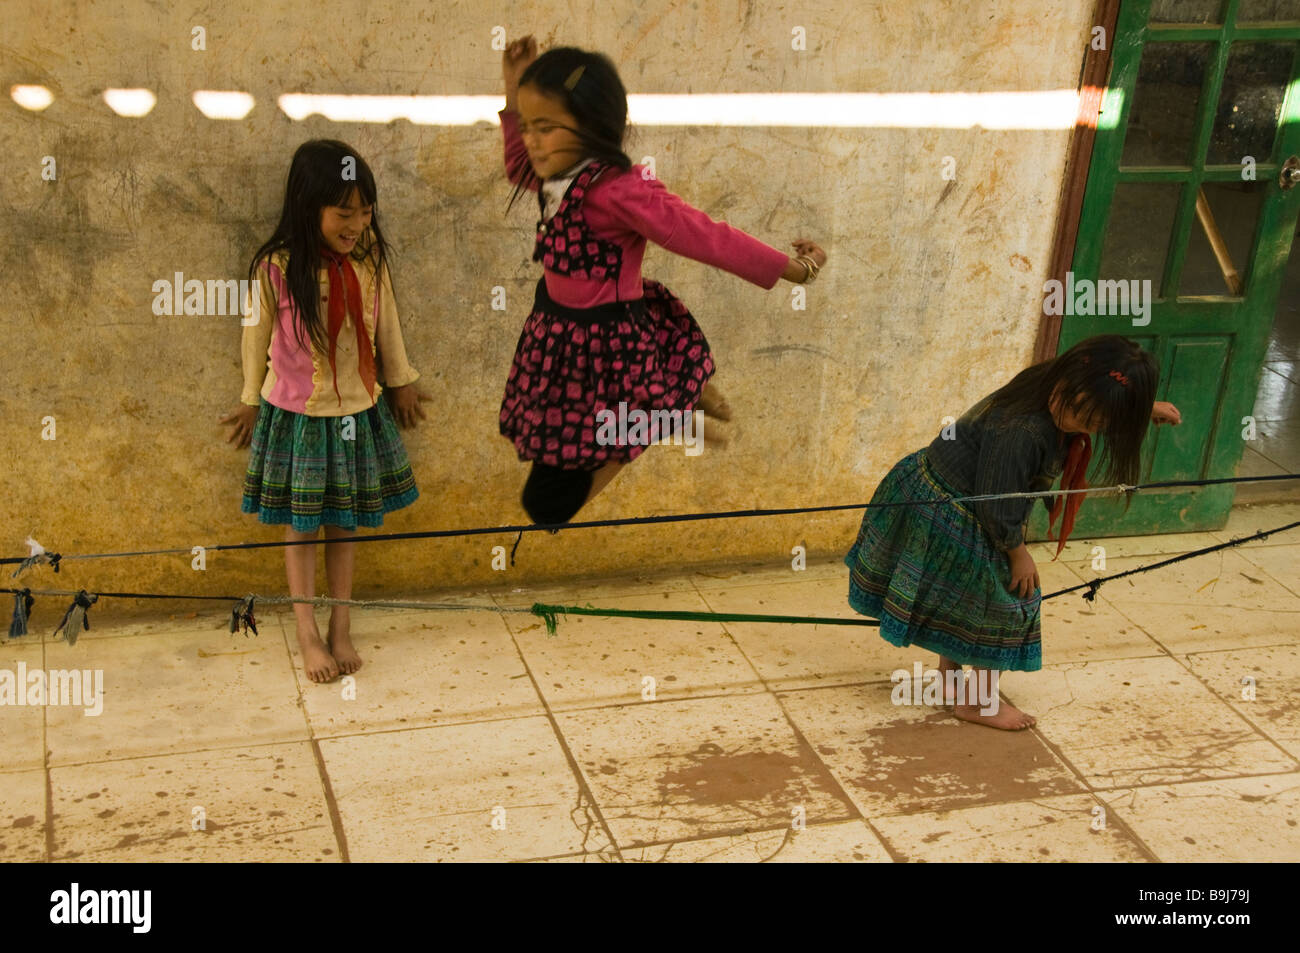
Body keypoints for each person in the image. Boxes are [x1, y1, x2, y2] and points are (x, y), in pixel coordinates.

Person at [498, 36, 828, 526]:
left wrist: (797, 270)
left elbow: (707, 238)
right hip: (557, 345)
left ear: (592, 126)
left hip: (608, 351)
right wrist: (511, 89)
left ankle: (661, 415)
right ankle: (671, 410)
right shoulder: (554, 174)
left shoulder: (620, 192)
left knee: (549, 508)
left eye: (545, 128)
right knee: (544, 504)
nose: (531, 140)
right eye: (527, 126)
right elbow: (516, 166)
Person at [845, 335, 1182, 729]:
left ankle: (952, 682)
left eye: (1095, 423)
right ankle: (978, 703)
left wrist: (1141, 411)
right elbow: (998, 502)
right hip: (953, 504)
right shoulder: (1021, 430)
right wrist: (1017, 553)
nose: (1076, 423)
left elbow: (1095, 401)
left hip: (953, 494)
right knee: (1011, 600)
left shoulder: (1053, 382)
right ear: (1069, 378)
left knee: (963, 598)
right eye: (1076, 409)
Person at [220, 140, 430, 683]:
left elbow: (388, 323)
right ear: (307, 206)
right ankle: (307, 631)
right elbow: (254, 338)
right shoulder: (275, 268)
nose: (357, 223)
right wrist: (248, 399)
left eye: (365, 211)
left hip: (357, 413)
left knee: (345, 524)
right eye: (344, 212)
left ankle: (342, 625)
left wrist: (401, 380)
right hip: (298, 419)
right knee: (301, 528)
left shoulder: (370, 261)